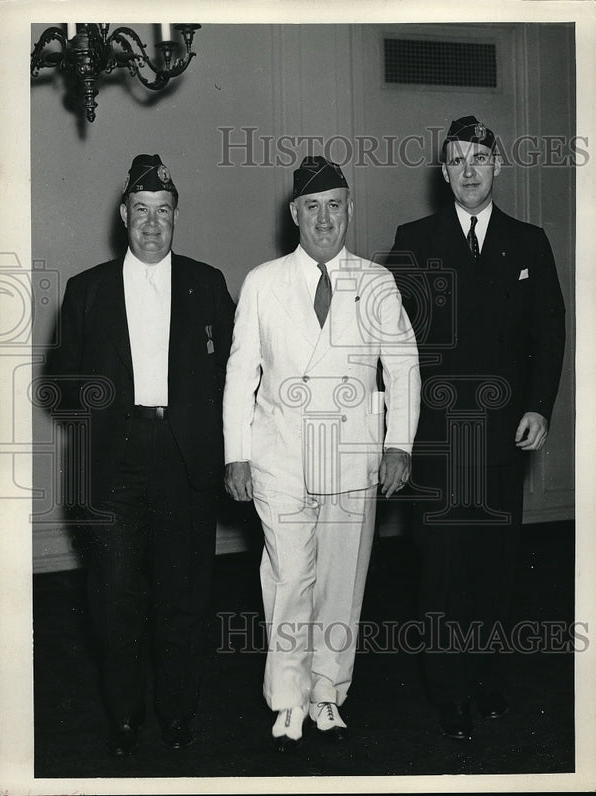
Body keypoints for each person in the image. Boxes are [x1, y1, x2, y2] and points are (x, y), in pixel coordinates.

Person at [223, 155, 420, 750]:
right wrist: (235, 454)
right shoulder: (263, 281)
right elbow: (240, 373)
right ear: (294, 215)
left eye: (335, 205)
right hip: (279, 453)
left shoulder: (377, 282)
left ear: (349, 210)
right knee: (287, 575)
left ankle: (328, 691)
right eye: (313, 207)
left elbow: (403, 366)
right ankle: (287, 698)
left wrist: (398, 444)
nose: (325, 218)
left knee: (340, 578)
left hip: (352, 453)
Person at [45, 154, 235, 755]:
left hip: (185, 460)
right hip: (114, 463)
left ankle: (178, 712)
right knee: (116, 595)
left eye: (164, 212)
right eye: (142, 212)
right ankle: (125, 715)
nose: (153, 224)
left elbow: (237, 373)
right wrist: (102, 405)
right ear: (124, 215)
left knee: (185, 594)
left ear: (176, 217)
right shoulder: (87, 290)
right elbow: (57, 381)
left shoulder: (207, 284)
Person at [388, 116, 566, 740]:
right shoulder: (413, 240)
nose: (469, 170)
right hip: (436, 440)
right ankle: (450, 689)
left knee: (493, 565)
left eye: (480, 159)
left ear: (497, 167)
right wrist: (396, 438)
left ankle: (485, 676)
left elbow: (549, 335)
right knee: (443, 569)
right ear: (443, 172)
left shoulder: (529, 242)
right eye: (458, 160)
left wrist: (540, 407)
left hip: (502, 440)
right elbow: (393, 348)